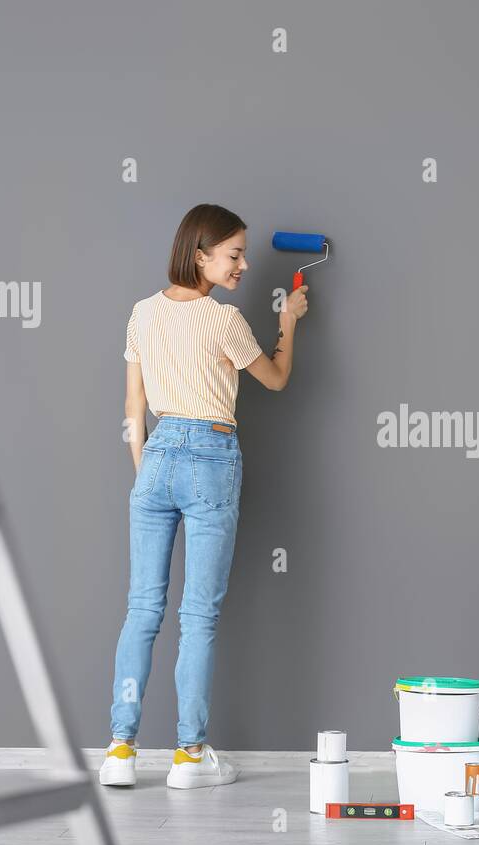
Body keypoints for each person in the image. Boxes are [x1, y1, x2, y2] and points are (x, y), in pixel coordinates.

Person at [99, 203, 308, 789]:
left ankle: (120, 751)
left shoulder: (142, 313)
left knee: (142, 609)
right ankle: (189, 757)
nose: (243, 265)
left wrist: (147, 471)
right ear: (202, 255)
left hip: (157, 454)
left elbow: (133, 409)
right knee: (198, 617)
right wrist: (289, 321)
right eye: (235, 254)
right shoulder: (226, 320)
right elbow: (276, 378)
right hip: (211, 456)